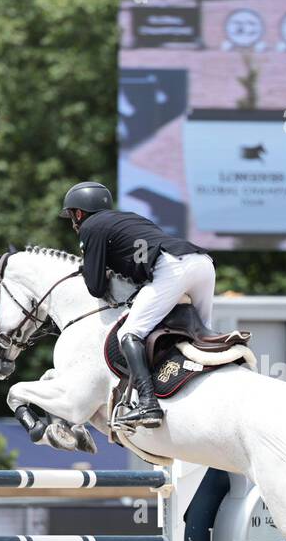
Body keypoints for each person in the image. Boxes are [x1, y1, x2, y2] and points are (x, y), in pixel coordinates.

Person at [59, 181, 214, 428]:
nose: (74, 223)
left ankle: (148, 404)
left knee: (129, 333)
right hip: (202, 263)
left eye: (72, 216)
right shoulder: (128, 218)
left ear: (79, 213)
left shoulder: (91, 226)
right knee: (203, 335)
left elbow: (96, 287)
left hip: (172, 269)